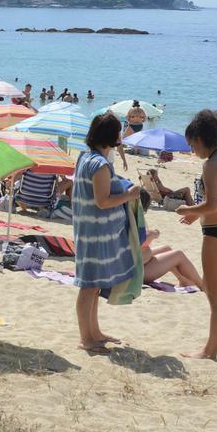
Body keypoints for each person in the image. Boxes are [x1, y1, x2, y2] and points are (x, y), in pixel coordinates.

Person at [72, 113, 142, 352]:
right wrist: (130, 195)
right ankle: (86, 338)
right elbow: (103, 201)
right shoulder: (100, 164)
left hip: (89, 229)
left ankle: (94, 332)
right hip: (96, 232)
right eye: (118, 132)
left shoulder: (85, 158)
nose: (121, 135)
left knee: (94, 284)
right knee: (89, 284)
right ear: (111, 136)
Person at [176, 110, 217, 360]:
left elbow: (212, 204)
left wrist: (188, 209)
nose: (193, 150)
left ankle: (210, 350)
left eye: (192, 145)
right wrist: (197, 215)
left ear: (201, 139)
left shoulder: (211, 165)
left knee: (215, 297)